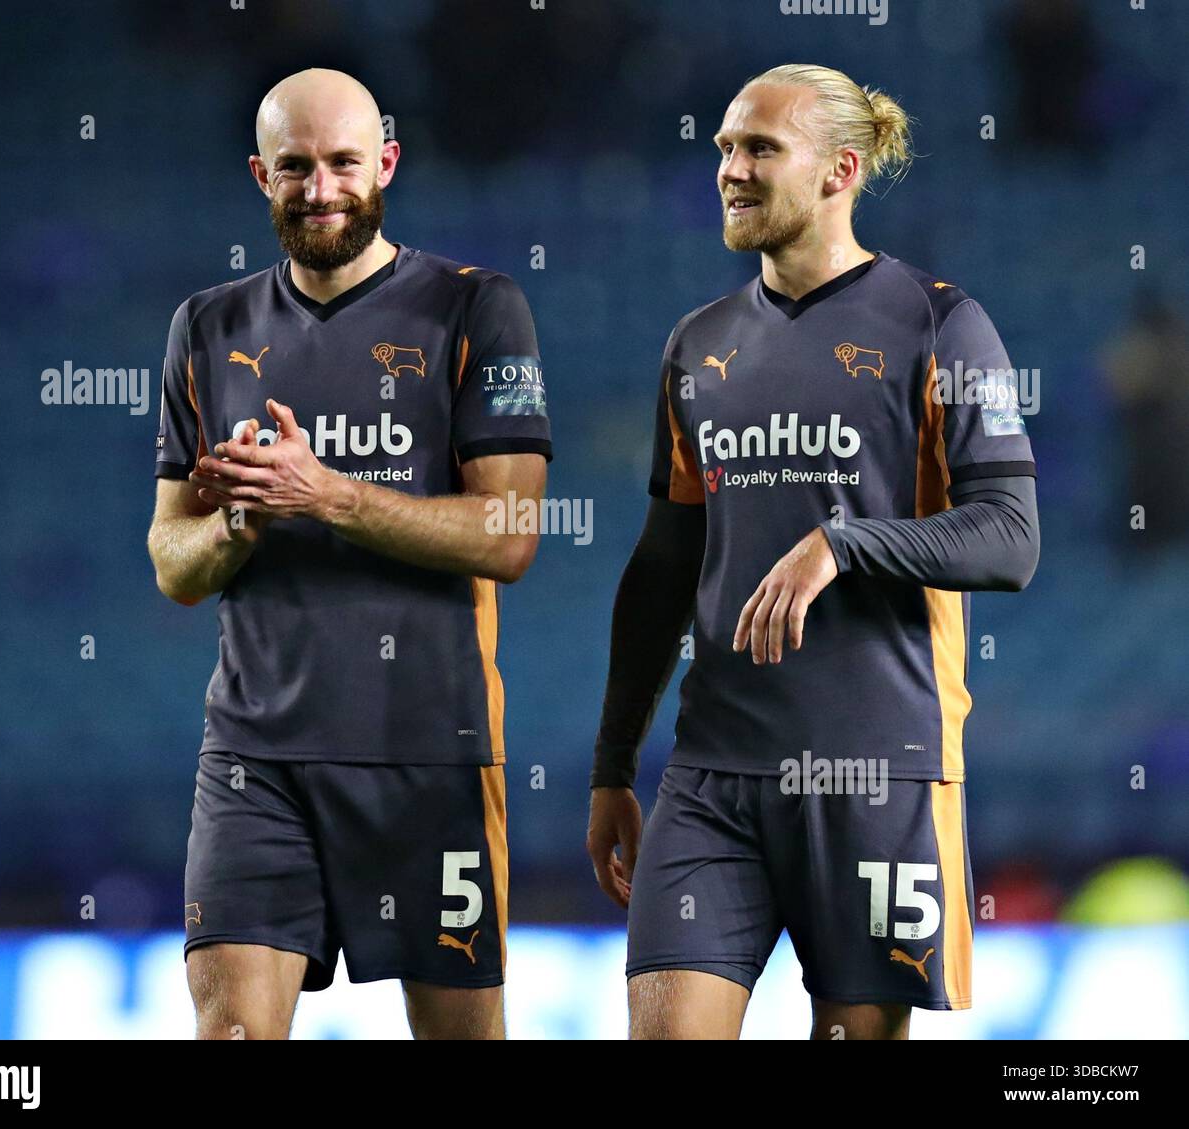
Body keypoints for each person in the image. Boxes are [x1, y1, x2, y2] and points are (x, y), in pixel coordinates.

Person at [587, 64, 1039, 1040]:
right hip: (711, 777)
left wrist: (843, 544)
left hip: (877, 772)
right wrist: (612, 762)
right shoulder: (695, 345)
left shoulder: (940, 324)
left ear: (840, 170)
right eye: (722, 149)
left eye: (759, 149)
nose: (729, 170)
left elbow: (1010, 535)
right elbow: (664, 564)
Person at [148, 68, 551, 1039]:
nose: (320, 189)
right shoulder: (208, 327)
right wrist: (242, 524)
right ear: (260, 175)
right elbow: (172, 558)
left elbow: (510, 535)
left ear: (387, 165)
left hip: (428, 752)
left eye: (342, 164)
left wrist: (323, 493)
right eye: (295, 168)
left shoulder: (475, 310)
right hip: (256, 756)